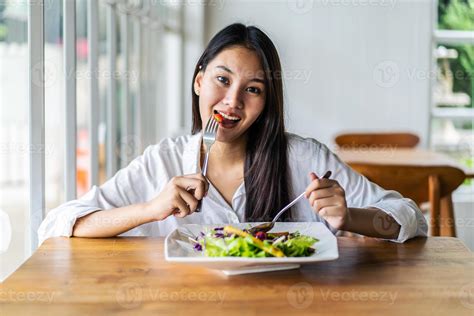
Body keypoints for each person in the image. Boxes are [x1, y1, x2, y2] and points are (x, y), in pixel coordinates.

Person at [38, 23, 427, 245]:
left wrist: (351, 217)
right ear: (198, 81)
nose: (232, 102)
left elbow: (410, 217)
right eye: (222, 80)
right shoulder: (166, 160)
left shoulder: (302, 158)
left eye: (253, 89)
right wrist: (151, 209)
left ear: (267, 101)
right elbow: (59, 224)